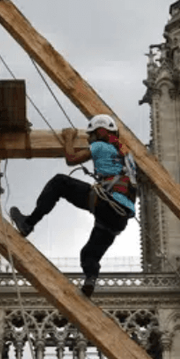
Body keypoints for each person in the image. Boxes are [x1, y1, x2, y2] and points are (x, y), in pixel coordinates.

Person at [10, 114, 137, 297]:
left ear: (97, 133)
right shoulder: (127, 155)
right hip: (120, 218)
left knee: (60, 183)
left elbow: (71, 159)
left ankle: (28, 223)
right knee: (89, 254)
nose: (89, 139)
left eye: (90, 136)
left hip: (106, 203)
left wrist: (68, 137)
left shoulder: (101, 145)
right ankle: (90, 281)